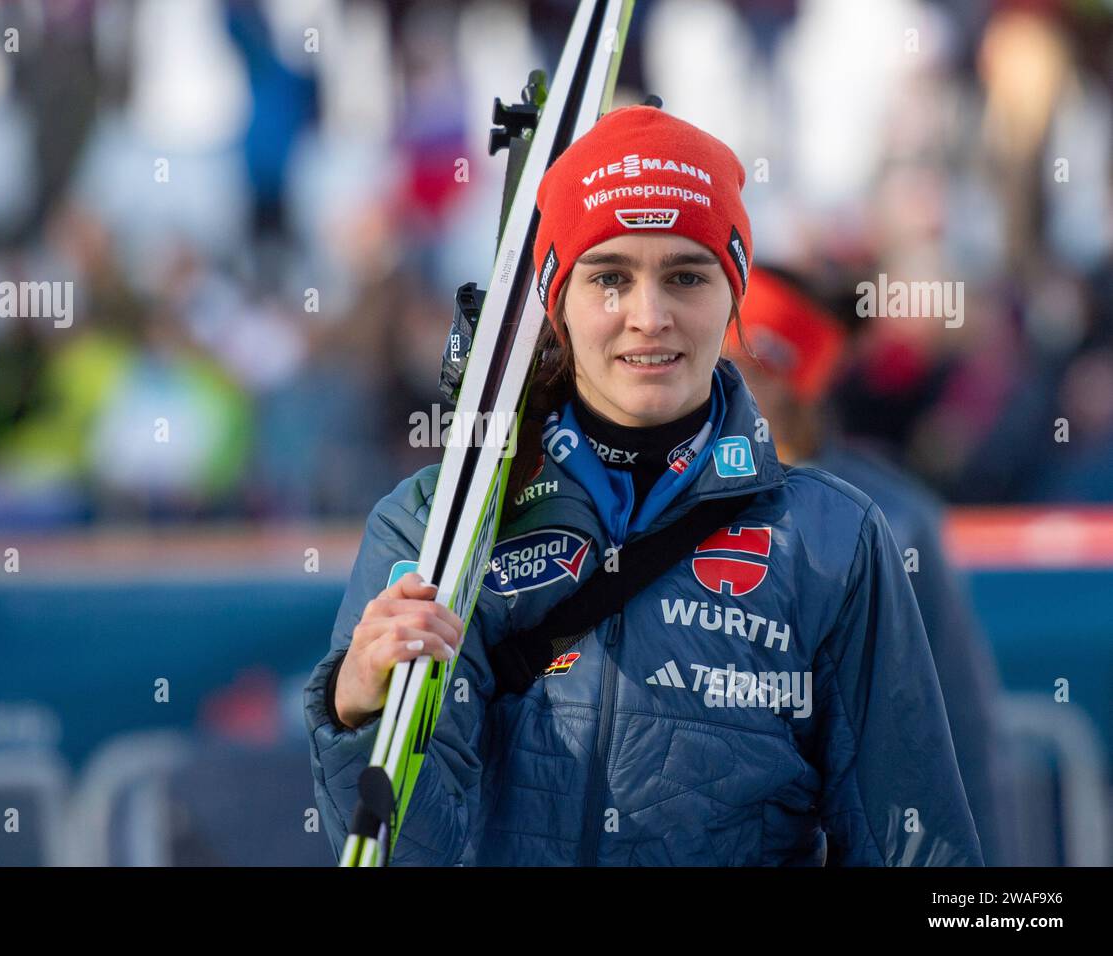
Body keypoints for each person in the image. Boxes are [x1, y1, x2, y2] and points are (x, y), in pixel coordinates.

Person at [303, 104, 984, 866]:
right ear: (557, 300)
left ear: (734, 293)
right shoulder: (442, 522)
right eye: (610, 278)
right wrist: (358, 713)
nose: (649, 315)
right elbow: (411, 854)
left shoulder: (833, 539)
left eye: (686, 276)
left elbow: (914, 845)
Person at [723, 264, 1013, 865]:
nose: (725, 389)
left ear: (797, 382)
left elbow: (957, 729)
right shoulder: (677, 497)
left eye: (749, 369)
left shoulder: (894, 519)